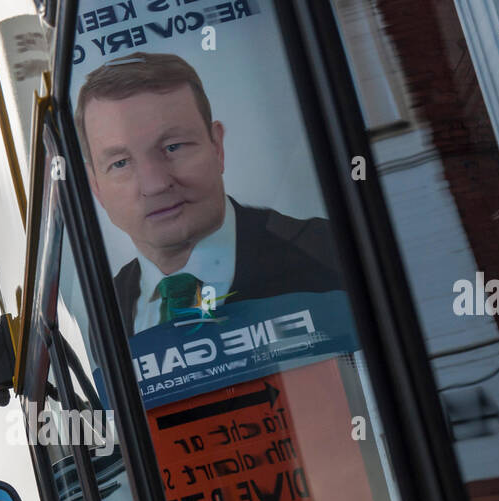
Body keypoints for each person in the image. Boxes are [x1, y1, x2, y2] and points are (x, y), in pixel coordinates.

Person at [74, 52, 342, 337]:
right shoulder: (106, 313)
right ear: (96, 187)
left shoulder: (329, 251)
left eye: (174, 147)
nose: (155, 185)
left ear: (217, 147)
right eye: (120, 163)